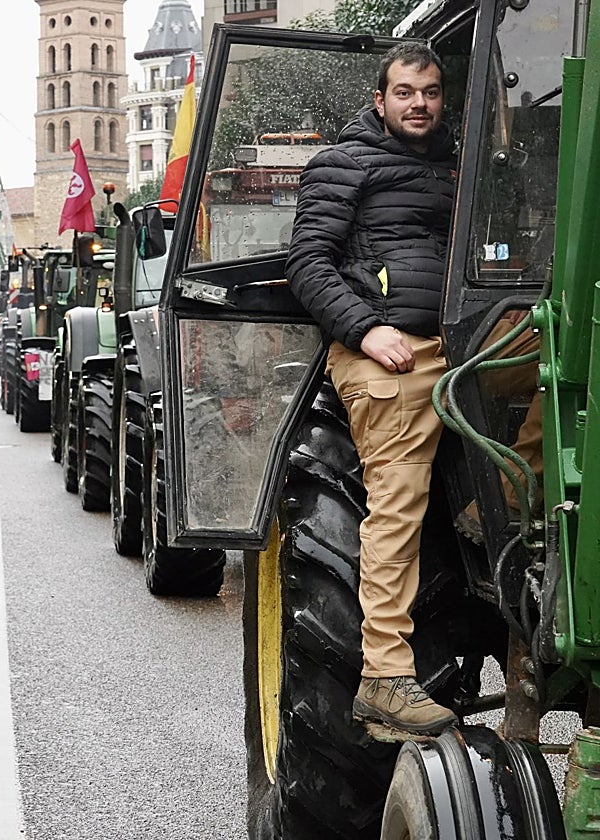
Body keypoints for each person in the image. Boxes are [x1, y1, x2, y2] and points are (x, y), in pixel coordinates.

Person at [285, 43, 459, 737]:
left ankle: (507, 528)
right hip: (389, 351)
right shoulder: (343, 164)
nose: (420, 103)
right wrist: (366, 330)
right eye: (406, 92)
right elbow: (308, 264)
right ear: (381, 100)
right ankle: (385, 676)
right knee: (398, 498)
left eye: (431, 92)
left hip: (467, 344)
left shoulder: (464, 168)